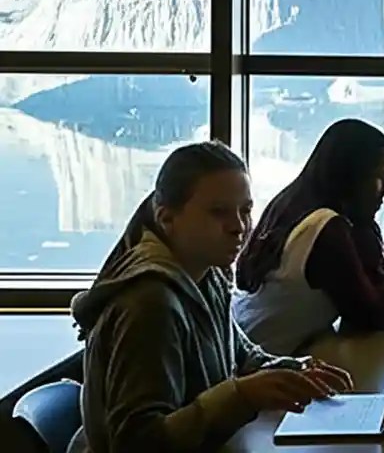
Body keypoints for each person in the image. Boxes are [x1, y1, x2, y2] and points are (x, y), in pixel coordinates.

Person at [69, 141, 353, 453]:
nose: (239, 227)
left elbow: (242, 357)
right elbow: (137, 442)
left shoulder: (208, 275)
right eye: (218, 212)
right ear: (166, 219)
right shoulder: (150, 302)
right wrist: (242, 396)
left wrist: (294, 371)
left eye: (245, 211)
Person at [234, 118, 384, 355]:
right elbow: (374, 315)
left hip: (247, 344)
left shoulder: (289, 203)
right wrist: (368, 229)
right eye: (381, 177)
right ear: (352, 176)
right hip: (259, 367)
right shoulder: (325, 230)